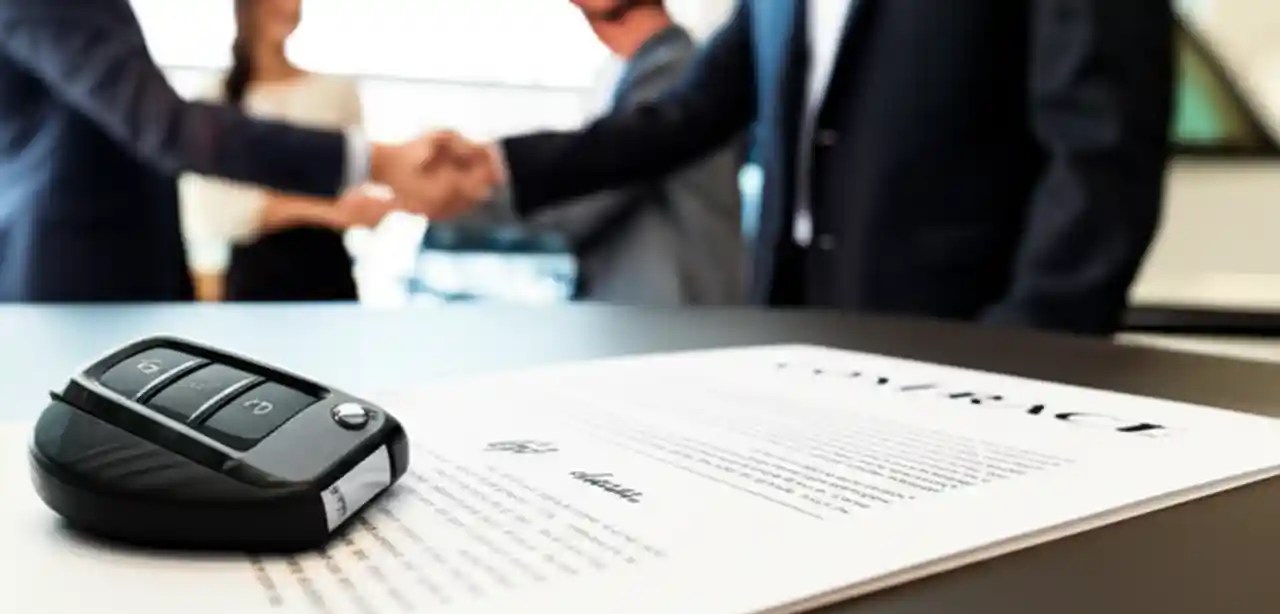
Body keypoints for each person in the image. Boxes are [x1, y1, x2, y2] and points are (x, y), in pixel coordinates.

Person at [441, 0, 1175, 335]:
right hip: (792, 330)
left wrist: (1033, 346)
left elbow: (1101, 149)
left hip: (965, 337)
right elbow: (683, 118)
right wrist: (497, 164)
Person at [0, 0, 488, 302]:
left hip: (123, 273)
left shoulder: (335, 88)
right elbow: (170, 131)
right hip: (73, 275)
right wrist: (380, 162)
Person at [442, 0, 746, 305]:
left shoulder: (675, 69)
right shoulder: (642, 71)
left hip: (673, 316)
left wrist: (458, 194)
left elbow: (587, 197)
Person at [180, 0, 391, 302]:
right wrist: (325, 210)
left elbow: (355, 184)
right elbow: (213, 210)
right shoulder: (216, 95)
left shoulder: (335, 91)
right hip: (255, 279)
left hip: (328, 273)